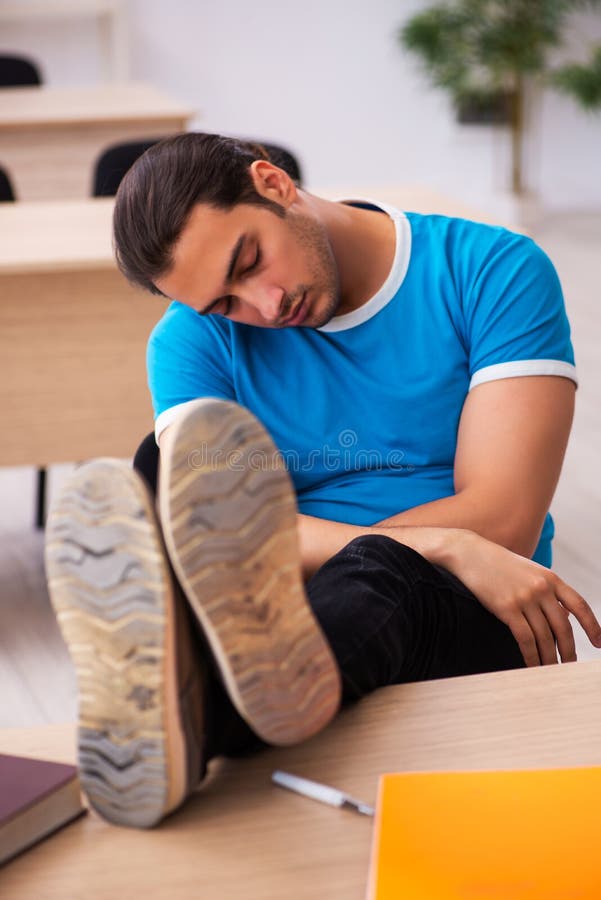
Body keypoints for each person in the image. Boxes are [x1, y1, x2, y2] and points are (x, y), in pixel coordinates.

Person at [45, 133, 601, 831]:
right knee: (161, 467)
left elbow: (503, 518)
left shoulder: (490, 269)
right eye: (225, 304)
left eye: (249, 261)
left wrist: (432, 551)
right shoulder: (190, 340)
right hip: (271, 609)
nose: (264, 305)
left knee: (381, 570)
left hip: (476, 605)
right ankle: (205, 692)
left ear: (273, 184)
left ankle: (186, 716)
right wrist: (444, 540)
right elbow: (208, 527)